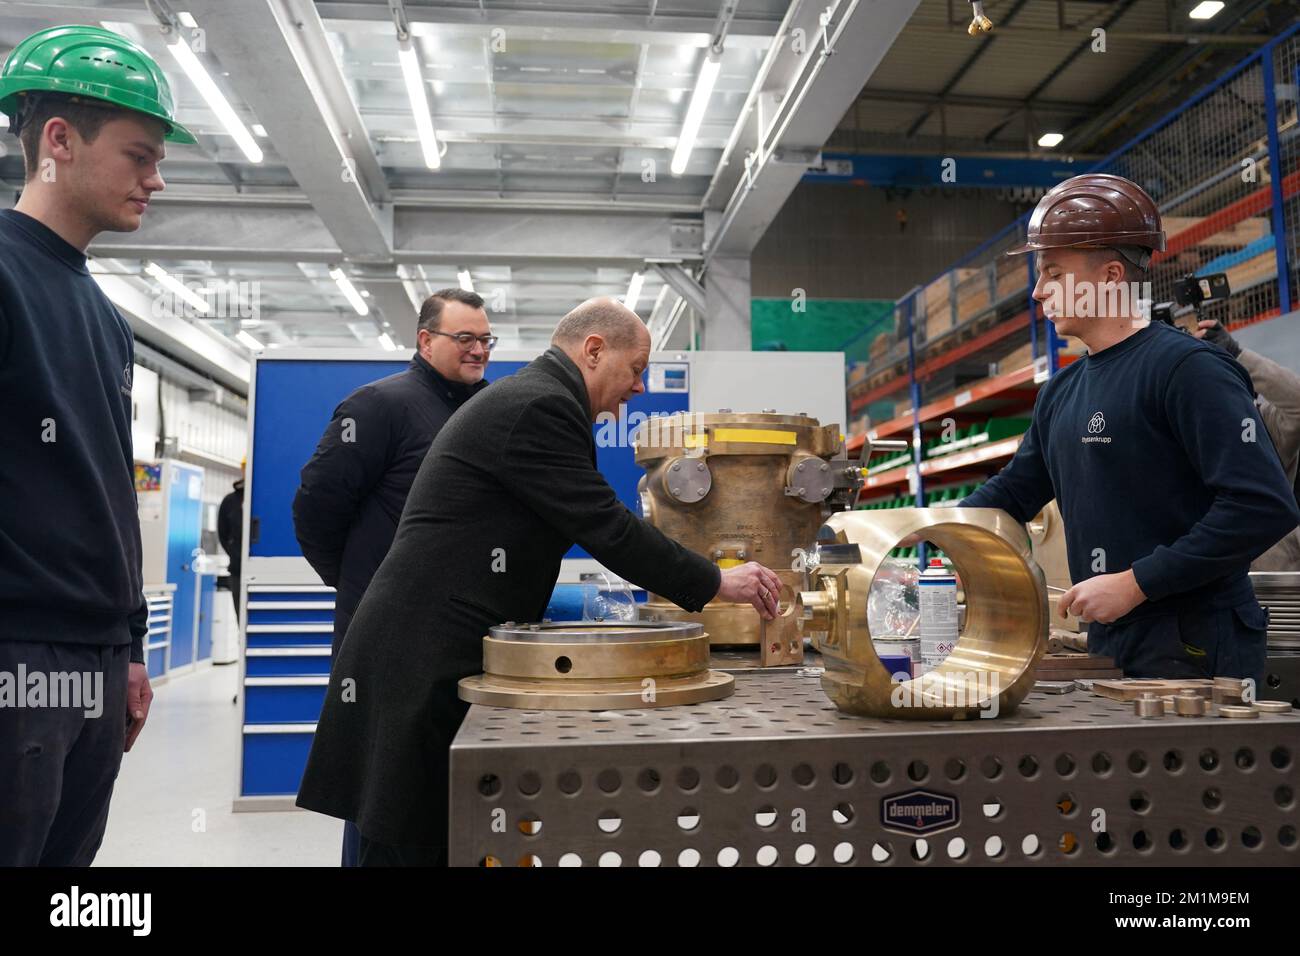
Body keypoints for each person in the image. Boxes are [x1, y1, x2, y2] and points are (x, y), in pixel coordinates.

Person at [296, 298, 783, 866]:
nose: (641, 388)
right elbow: (607, 527)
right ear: (594, 350)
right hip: (419, 657)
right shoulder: (540, 407)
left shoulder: (537, 399)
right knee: (410, 842)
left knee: (428, 832)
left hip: (429, 645)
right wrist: (719, 582)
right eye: (636, 368)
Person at [956, 174, 1299, 682]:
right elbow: (1013, 492)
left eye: (1052, 272)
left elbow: (1262, 506)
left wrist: (1138, 583)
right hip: (1110, 633)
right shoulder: (1061, 391)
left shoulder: (1188, 370)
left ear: (1111, 276)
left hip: (1195, 640)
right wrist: (914, 534)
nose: (1037, 291)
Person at [0, 25, 194, 864]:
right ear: (57, 142)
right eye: (139, 155)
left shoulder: (105, 320)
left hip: (92, 660)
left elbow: (108, 494)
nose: (156, 178)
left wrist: (128, 649)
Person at [292, 288, 492, 865]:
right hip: (381, 638)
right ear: (426, 340)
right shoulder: (379, 406)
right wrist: (366, 589)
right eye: (465, 339)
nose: (477, 350)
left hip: (454, 635)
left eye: (485, 340)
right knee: (378, 791)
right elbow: (316, 508)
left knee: (435, 795)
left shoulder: (484, 411)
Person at [1195, 318, 1300, 571]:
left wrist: (1237, 354)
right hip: (1211, 585)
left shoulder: (1264, 425)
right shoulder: (1186, 436)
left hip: (1274, 579)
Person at [217, 463, 246, 621]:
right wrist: (236, 554)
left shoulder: (265, 497)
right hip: (238, 572)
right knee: (242, 624)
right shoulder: (230, 501)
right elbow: (223, 534)